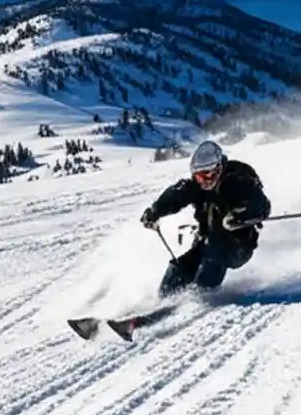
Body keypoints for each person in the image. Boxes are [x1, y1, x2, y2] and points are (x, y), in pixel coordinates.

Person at [111, 141, 270, 341]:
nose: (204, 181)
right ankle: (163, 303)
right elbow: (176, 195)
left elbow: (261, 205)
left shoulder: (239, 181)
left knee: (214, 252)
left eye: (208, 175)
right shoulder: (197, 186)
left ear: (219, 168)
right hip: (207, 241)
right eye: (198, 176)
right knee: (182, 265)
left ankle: (196, 296)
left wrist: (239, 216)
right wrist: (155, 211)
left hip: (238, 246)